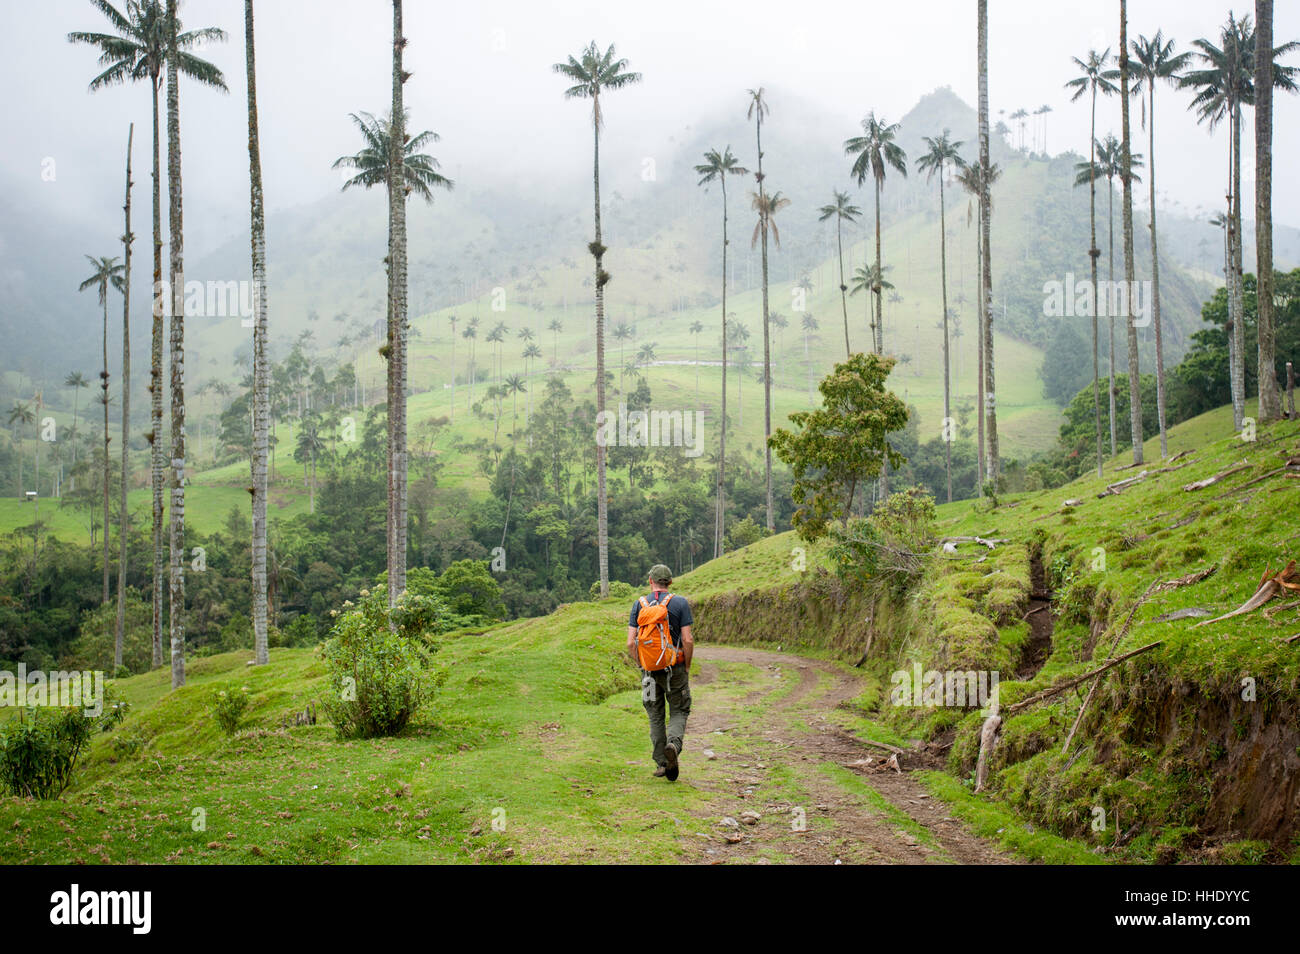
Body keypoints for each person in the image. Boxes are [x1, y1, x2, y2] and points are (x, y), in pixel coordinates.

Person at [627, 564, 694, 781]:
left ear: (650, 581)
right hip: (674, 669)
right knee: (679, 710)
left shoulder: (639, 605)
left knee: (654, 714)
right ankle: (673, 745)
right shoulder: (680, 603)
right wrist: (687, 665)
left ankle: (662, 763)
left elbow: (630, 643)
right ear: (670, 582)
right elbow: (687, 639)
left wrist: (642, 665)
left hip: (648, 673)